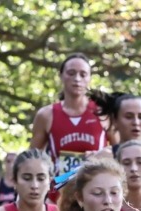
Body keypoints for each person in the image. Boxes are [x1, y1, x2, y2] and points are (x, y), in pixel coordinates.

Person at [31, 54, 106, 195]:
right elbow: (32, 158)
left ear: (90, 78)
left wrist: (103, 155)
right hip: (59, 193)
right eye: (71, 73)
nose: (77, 79)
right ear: (61, 76)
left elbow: (121, 151)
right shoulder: (46, 115)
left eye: (83, 74)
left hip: (97, 192)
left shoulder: (103, 113)